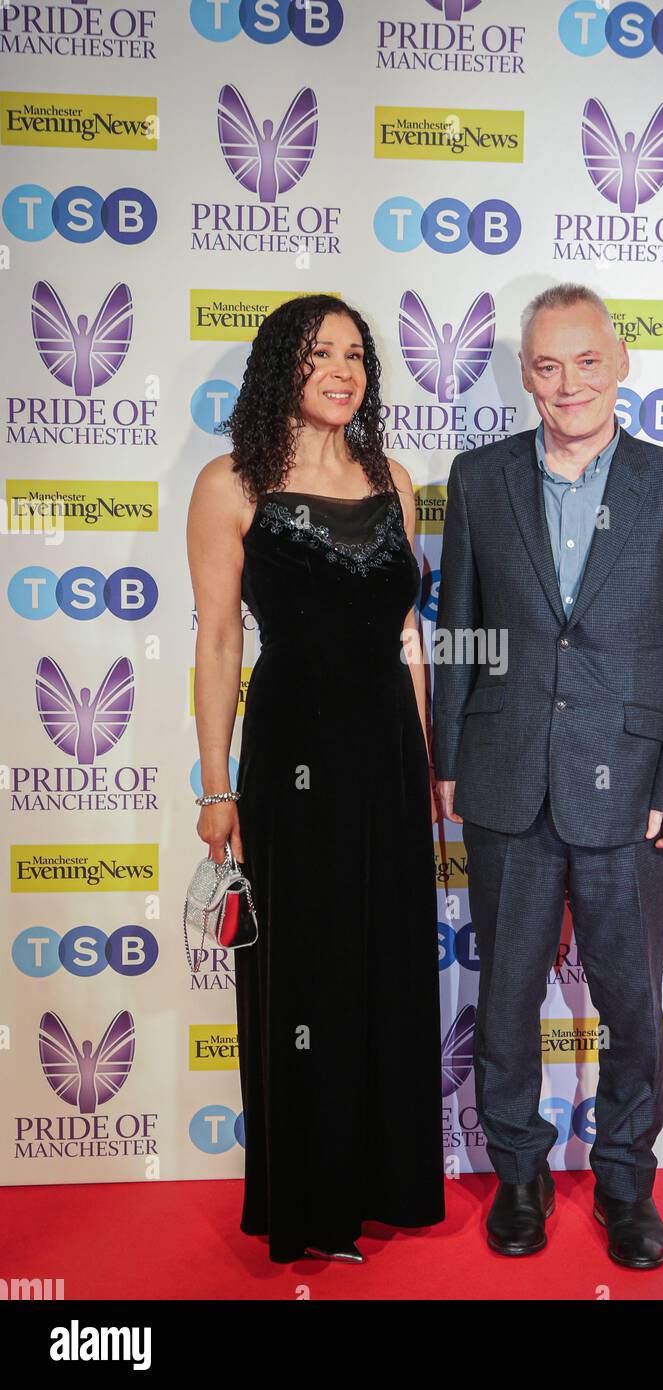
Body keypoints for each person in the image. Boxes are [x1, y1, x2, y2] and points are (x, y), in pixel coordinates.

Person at [432, 283, 663, 1266]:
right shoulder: (478, 480)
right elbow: (460, 628)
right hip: (506, 778)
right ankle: (518, 1176)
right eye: (547, 366)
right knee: (506, 992)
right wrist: (448, 759)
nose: (568, 383)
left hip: (635, 786)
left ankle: (627, 1182)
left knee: (632, 997)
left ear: (620, 362)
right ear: (525, 374)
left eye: (586, 361)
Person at [187, 294, 445, 1264]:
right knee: (305, 980)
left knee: (383, 966)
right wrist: (217, 790)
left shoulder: (395, 481)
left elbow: (408, 637)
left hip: (385, 755)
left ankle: (382, 1183)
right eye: (318, 353)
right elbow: (216, 642)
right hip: (290, 758)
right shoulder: (231, 483)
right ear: (279, 369)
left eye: (355, 354)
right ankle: (312, 1203)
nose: (342, 369)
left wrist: (424, 771)